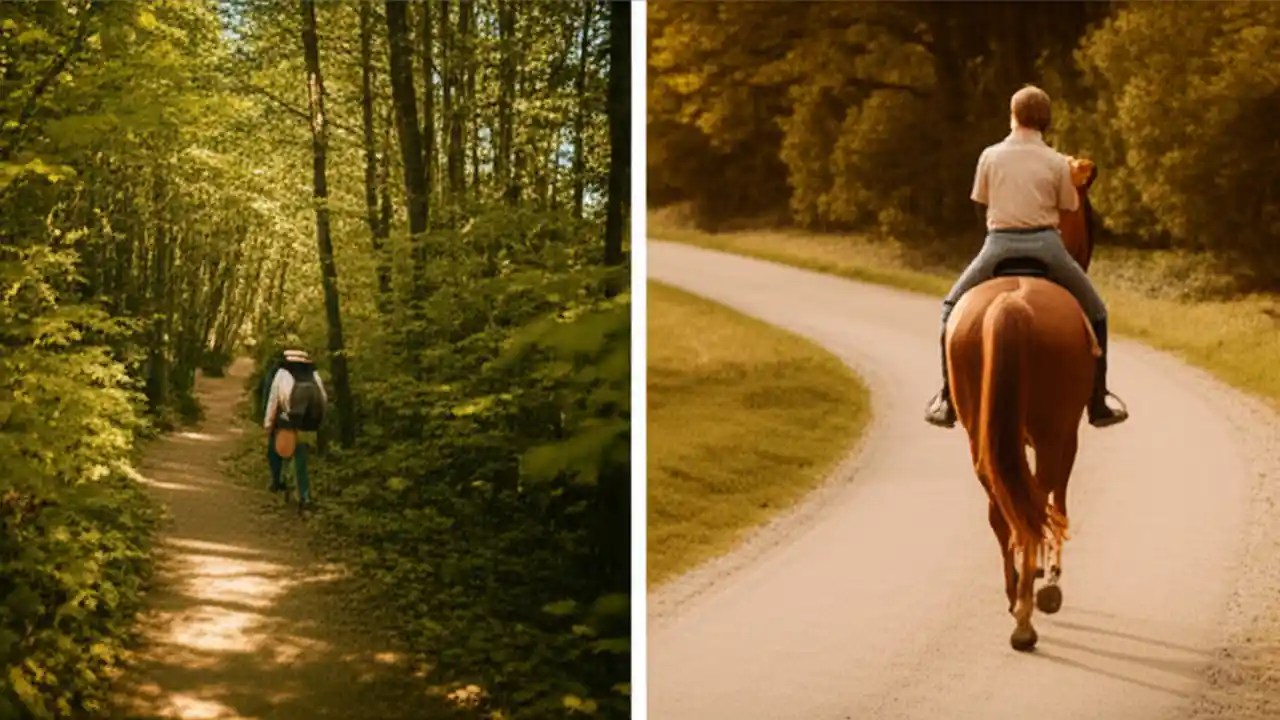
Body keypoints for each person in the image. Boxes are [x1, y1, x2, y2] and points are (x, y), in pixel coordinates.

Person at [924, 85, 1128, 430]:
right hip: (1047, 246)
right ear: (1046, 121)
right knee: (1097, 312)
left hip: (998, 244)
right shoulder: (1056, 161)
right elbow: (1069, 205)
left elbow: (981, 202)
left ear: (1013, 116)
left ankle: (947, 398)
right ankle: (1098, 401)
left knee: (949, 308)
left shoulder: (989, 156)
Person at [263, 348, 328, 508]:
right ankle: (304, 495)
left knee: (282, 452)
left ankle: (283, 484)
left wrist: (268, 424)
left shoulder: (282, 373)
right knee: (301, 460)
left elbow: (273, 400)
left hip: (288, 422)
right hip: (308, 425)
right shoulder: (314, 375)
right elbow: (324, 399)